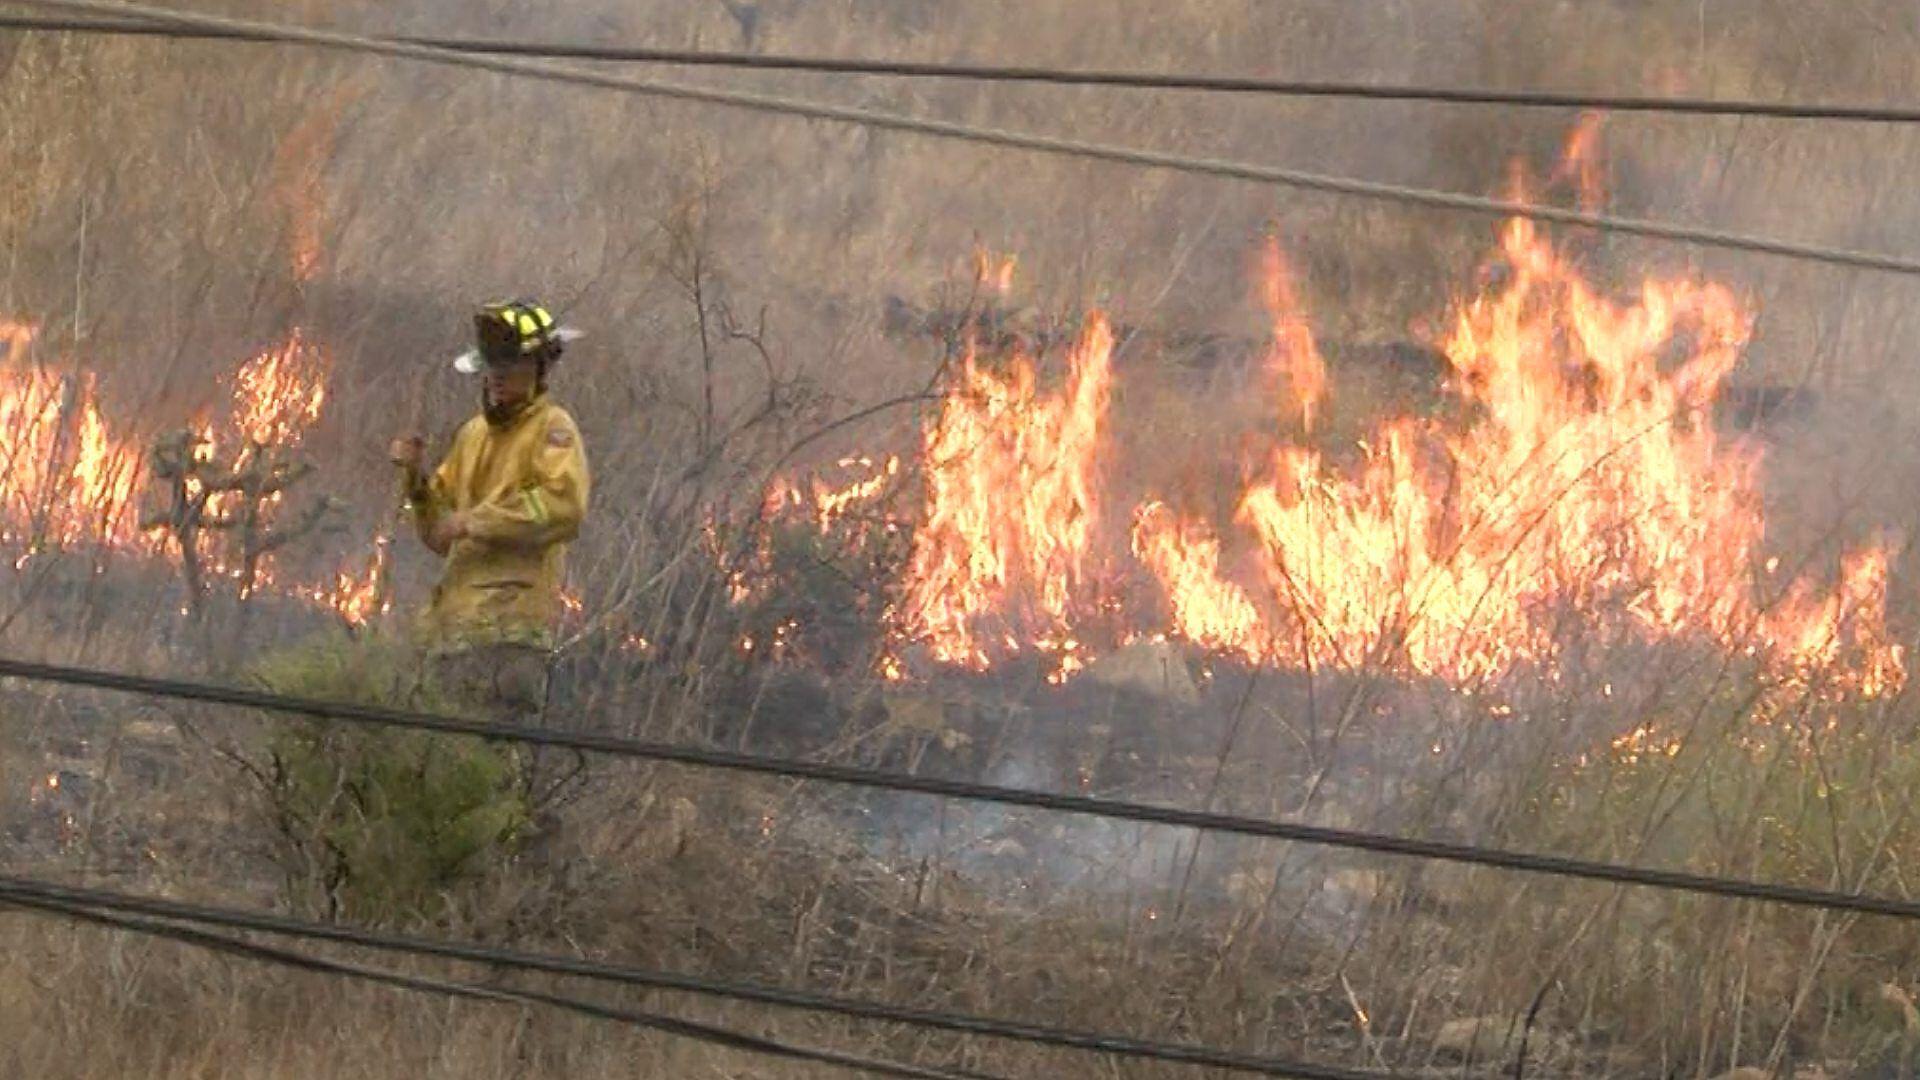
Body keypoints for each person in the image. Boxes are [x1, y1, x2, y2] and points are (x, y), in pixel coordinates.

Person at [389, 299, 591, 725]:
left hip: (508, 635)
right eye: (492, 366)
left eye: (510, 365)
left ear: (539, 368)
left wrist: (475, 521)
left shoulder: (553, 429)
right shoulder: (473, 435)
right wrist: (416, 480)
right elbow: (438, 534)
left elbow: (563, 506)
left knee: (489, 755)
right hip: (451, 633)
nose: (497, 376)